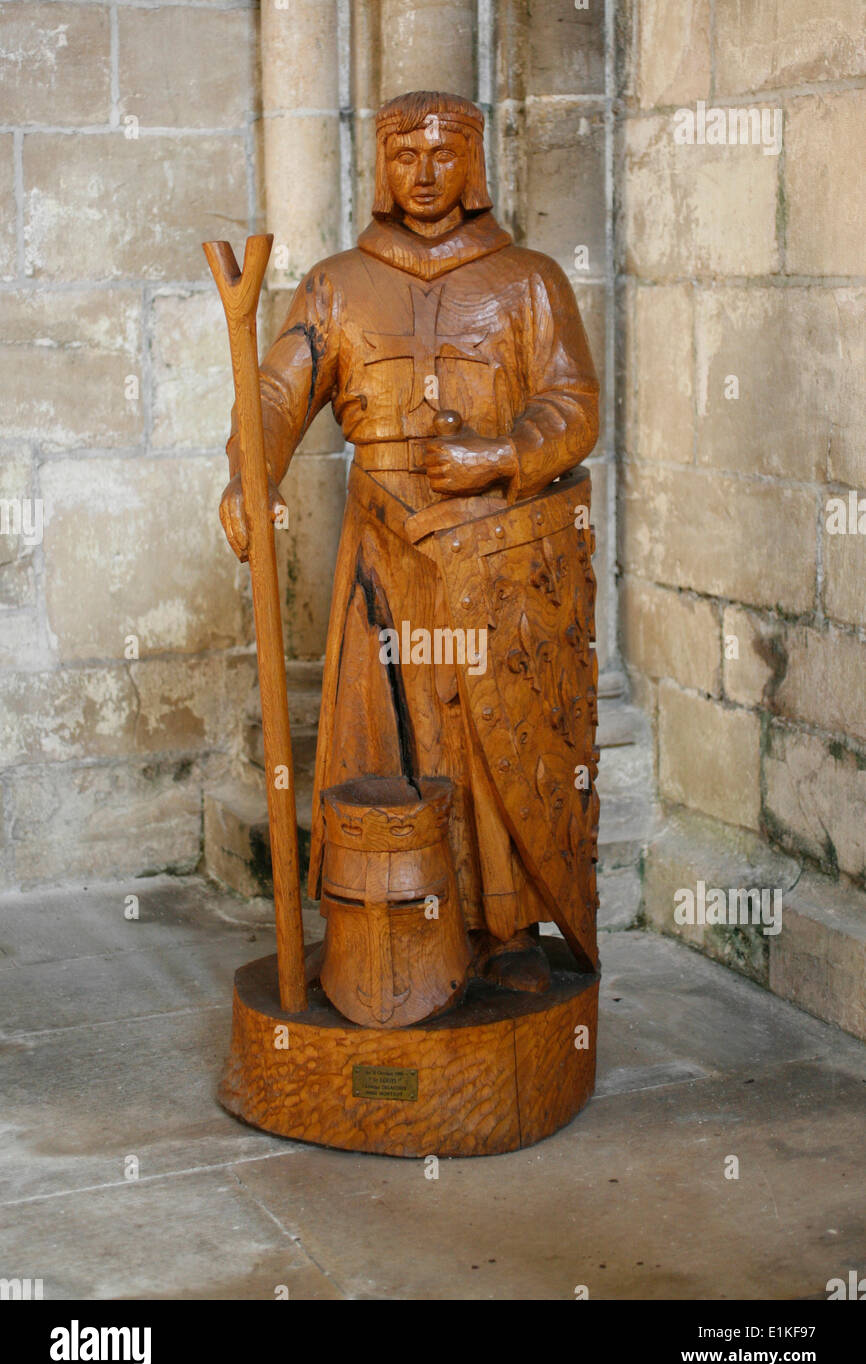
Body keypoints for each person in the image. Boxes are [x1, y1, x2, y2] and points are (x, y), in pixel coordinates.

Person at [220, 90, 599, 993]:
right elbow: (275, 395)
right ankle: (370, 927)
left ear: (472, 165)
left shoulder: (529, 281)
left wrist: (504, 453)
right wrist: (249, 473)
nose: (423, 175)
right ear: (382, 172)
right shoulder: (338, 285)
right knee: (377, 732)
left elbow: (574, 404)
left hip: (486, 552)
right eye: (404, 158)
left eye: (441, 155)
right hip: (380, 554)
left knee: (483, 738)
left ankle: (502, 930)